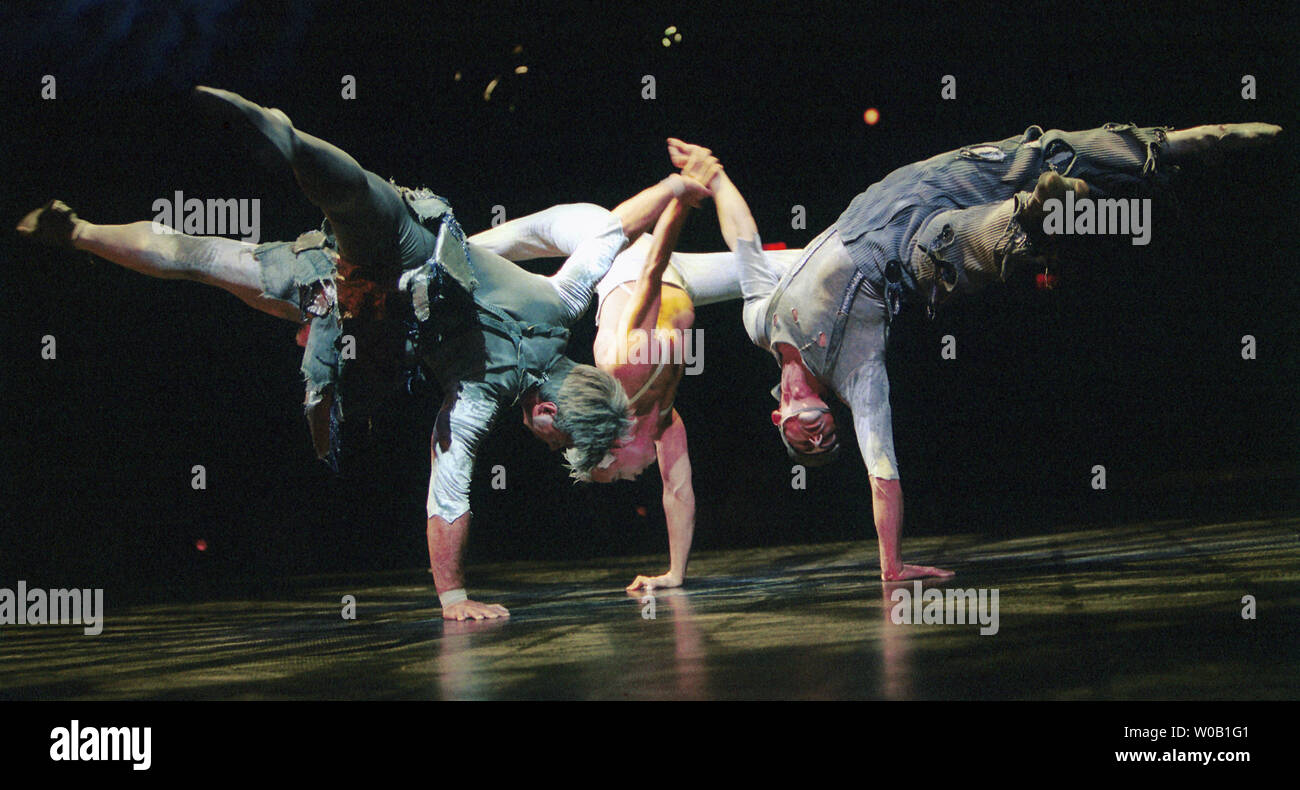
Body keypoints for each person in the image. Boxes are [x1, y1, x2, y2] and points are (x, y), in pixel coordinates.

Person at [16, 86, 715, 620]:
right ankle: (86, 231)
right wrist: (453, 597)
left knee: (347, 205)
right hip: (365, 289)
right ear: (557, 413)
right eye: (555, 438)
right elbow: (450, 490)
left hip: (375, 276)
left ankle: (113, 214)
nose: (542, 439)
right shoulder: (482, 395)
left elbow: (611, 233)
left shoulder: (562, 306)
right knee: (210, 257)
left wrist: (675, 190)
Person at [726, 122, 1281, 582]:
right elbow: (883, 472)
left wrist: (713, 176)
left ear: (780, 418)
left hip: (894, 193)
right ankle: (1036, 214)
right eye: (827, 446)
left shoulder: (758, 321)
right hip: (909, 248)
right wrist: (891, 565)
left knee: (1044, 150)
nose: (822, 440)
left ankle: (1176, 145)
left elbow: (745, 243)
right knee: (960, 250)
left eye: (808, 446)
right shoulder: (856, 378)